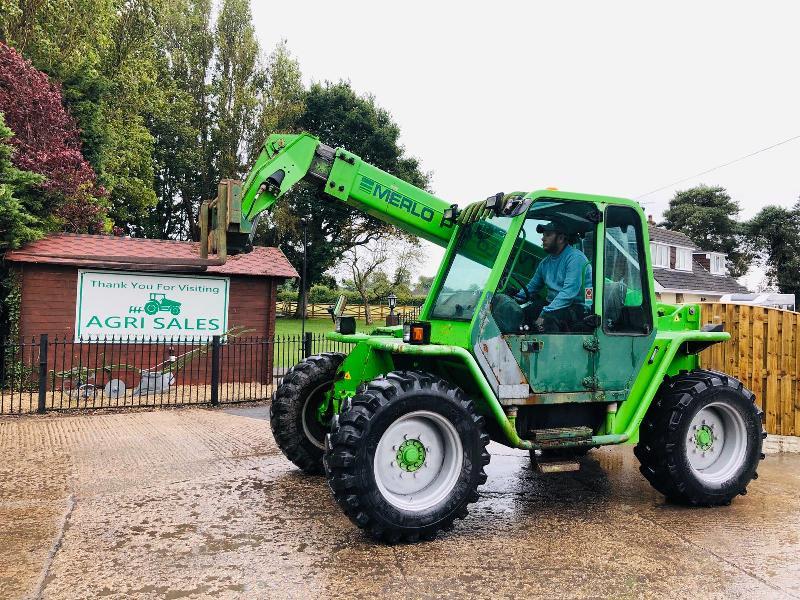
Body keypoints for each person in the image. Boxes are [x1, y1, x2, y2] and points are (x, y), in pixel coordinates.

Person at [515, 221, 592, 332]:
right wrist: (515, 298)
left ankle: (551, 344)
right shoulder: (545, 263)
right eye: (543, 235)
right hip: (554, 305)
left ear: (560, 238)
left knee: (548, 321)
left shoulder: (575, 258)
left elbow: (568, 293)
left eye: (548, 235)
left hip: (577, 307)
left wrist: (545, 313)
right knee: (522, 314)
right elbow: (532, 287)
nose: (543, 239)